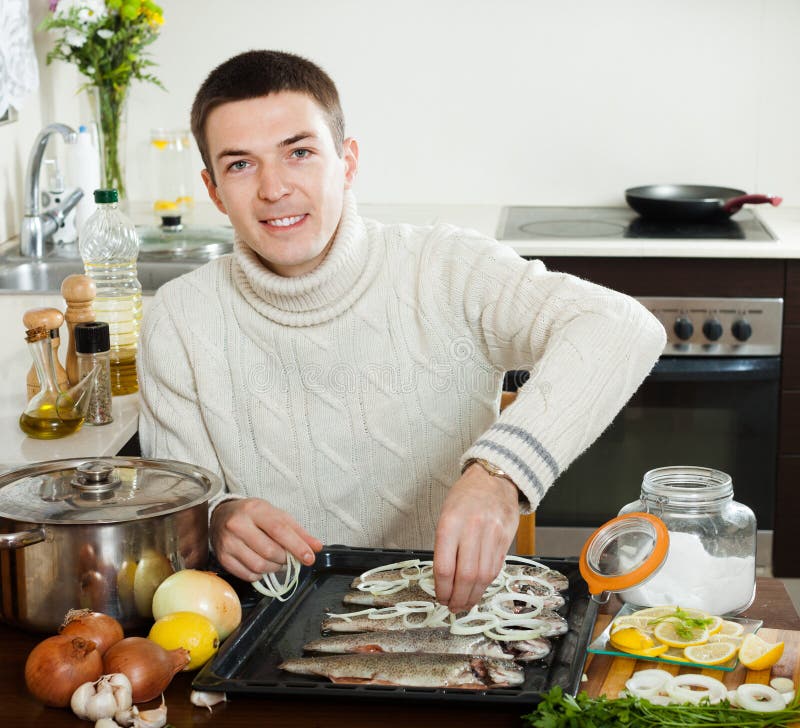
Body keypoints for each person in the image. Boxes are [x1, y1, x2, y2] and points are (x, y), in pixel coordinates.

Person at [138, 50, 666, 613]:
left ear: (347, 161)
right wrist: (218, 517)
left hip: (454, 627)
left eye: (300, 153)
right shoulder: (177, 318)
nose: (274, 188)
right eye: (241, 164)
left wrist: (500, 474)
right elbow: (175, 521)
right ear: (213, 189)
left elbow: (623, 326)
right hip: (266, 633)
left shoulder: (446, 268)